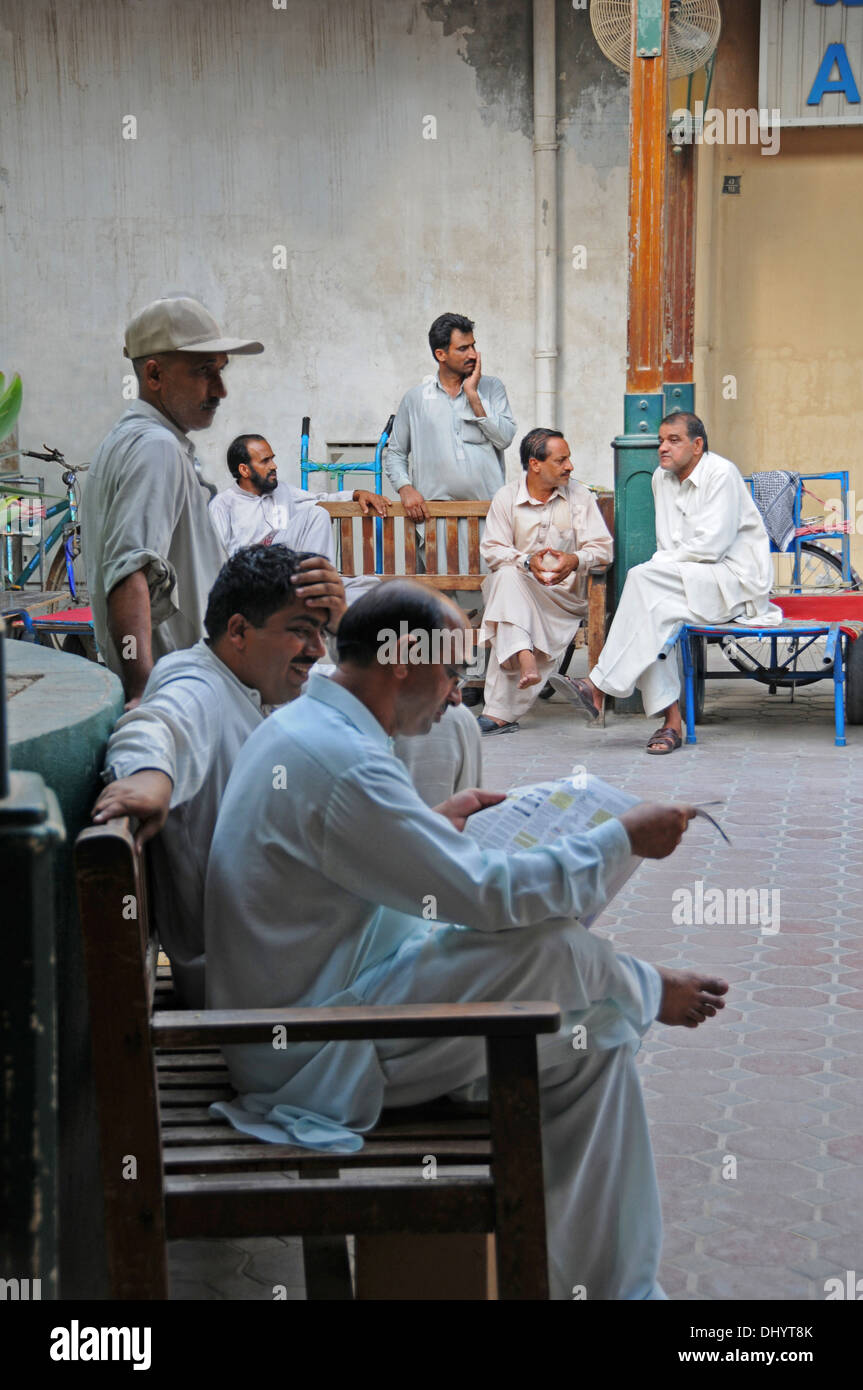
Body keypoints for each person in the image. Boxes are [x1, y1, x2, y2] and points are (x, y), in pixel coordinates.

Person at [204, 581, 729, 1300]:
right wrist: (618, 838)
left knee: (596, 1042)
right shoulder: (341, 759)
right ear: (402, 665)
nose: (458, 696)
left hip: (324, 1012)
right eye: (453, 673)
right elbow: (487, 897)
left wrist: (434, 826)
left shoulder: (316, 733)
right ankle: (649, 989)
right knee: (550, 951)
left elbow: (382, 863)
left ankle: (611, 1292)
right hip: (311, 1053)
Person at [91, 545, 344, 1006]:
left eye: (323, 632)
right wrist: (149, 776)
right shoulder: (198, 686)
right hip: (246, 985)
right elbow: (155, 724)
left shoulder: (243, 681)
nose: (318, 649)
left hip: (269, 957)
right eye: (303, 632)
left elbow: (369, 685)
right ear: (239, 631)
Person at [551, 412, 781, 754]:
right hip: (686, 581)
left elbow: (711, 548)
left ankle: (598, 686)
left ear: (697, 445)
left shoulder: (721, 473)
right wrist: (659, 566)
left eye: (674, 440)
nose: (663, 447)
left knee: (641, 580)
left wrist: (656, 568)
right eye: (661, 440)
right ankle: (671, 723)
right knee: (654, 615)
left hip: (733, 581)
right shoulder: (661, 477)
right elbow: (667, 544)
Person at [81, 295, 263, 706]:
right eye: (204, 372)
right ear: (154, 375)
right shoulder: (154, 448)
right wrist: (142, 694)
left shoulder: (130, 442)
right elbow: (129, 573)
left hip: (185, 690)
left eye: (221, 370)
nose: (221, 390)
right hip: (179, 696)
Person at [477, 428, 613, 735]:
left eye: (568, 459)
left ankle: (504, 702)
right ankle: (523, 666)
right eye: (561, 460)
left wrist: (575, 560)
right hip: (520, 591)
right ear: (535, 464)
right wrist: (527, 561)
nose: (570, 467)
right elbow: (493, 550)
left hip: (563, 601)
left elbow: (602, 548)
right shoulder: (507, 498)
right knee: (508, 575)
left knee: (506, 596)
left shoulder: (579, 496)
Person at [385, 313, 517, 523]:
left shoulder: (492, 388)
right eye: (463, 348)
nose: (473, 354)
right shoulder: (416, 398)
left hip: (488, 517)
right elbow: (396, 453)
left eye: (473, 346)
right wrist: (405, 487)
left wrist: (474, 396)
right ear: (441, 354)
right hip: (433, 518)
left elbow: (504, 439)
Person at [209, 434, 388, 560]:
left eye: (272, 459)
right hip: (250, 581)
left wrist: (357, 494)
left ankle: (318, 590)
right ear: (244, 470)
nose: (274, 466)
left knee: (318, 513)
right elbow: (215, 557)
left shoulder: (283, 491)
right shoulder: (223, 505)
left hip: (288, 577)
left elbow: (321, 499)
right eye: (265, 461)